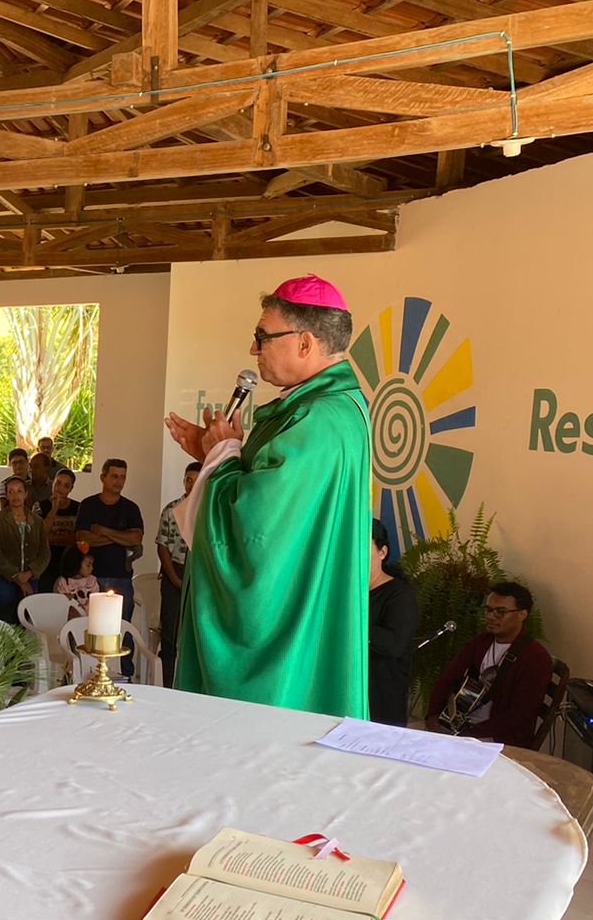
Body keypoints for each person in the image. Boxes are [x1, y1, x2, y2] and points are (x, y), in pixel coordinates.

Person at [166, 274, 371, 718]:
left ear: (304, 343)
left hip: (282, 636)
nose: (253, 350)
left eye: (262, 337)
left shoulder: (317, 420)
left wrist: (220, 452)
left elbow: (253, 532)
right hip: (304, 607)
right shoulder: (326, 409)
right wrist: (215, 454)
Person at [428, 583, 552, 746]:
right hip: (463, 726)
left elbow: (519, 715)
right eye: (488, 610)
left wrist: (467, 735)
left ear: (522, 614)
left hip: (499, 739)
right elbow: (447, 679)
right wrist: (433, 716)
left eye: (500, 612)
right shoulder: (481, 642)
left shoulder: (536, 658)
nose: (491, 617)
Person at [74, 458, 144, 675]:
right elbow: (83, 538)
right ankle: (90, 673)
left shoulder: (131, 508)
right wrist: (118, 537)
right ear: (103, 477)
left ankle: (124, 673)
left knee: (123, 629)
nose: (119, 481)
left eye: (123, 477)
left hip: (121, 578)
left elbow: (136, 538)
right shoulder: (88, 505)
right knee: (90, 628)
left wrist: (103, 531)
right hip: (90, 578)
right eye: (114, 476)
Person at [367, 520, 419, 728]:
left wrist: (352, 624)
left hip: (381, 699)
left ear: (382, 552)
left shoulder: (399, 595)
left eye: (364, 547)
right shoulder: (345, 591)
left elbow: (394, 645)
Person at [155, 461, 201, 688]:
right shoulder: (171, 509)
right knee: (170, 634)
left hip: (201, 577)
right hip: (175, 570)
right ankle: (167, 684)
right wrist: (174, 578)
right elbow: (162, 546)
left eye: (197, 480)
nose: (192, 485)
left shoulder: (209, 509)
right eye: (188, 480)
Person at [0, 476, 49, 625]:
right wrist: (17, 577)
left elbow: (45, 552)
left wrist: (30, 573)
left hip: (30, 577)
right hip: (4, 577)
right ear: (6, 495)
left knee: (29, 620)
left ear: (26, 494)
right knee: (6, 618)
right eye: (11, 491)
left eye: (19, 491)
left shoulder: (37, 521)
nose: (15, 495)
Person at [38, 467, 80, 593]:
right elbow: (42, 534)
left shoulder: (78, 508)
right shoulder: (40, 506)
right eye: (58, 483)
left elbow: (78, 537)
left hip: (70, 563)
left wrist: (52, 539)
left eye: (66, 486)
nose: (60, 489)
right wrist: (54, 508)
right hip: (47, 563)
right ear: (53, 483)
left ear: (71, 489)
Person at [55, 546, 100, 613]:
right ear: (75, 564)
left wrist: (85, 608)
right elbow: (59, 603)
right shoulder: (64, 582)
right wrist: (65, 598)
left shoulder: (92, 581)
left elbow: (96, 601)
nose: (92, 568)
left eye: (92, 565)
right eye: (88, 565)